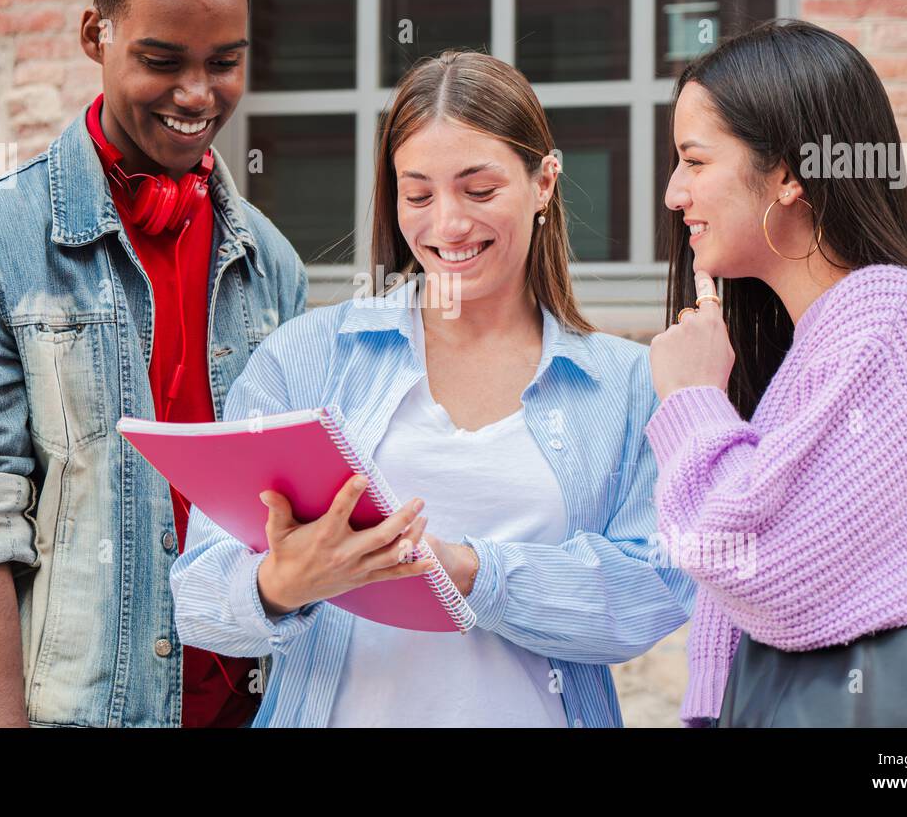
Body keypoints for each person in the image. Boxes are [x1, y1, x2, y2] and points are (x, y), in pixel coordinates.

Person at [169, 49, 695, 727]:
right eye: (417, 195)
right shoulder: (305, 359)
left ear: (544, 182)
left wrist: (472, 571)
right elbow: (198, 599)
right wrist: (282, 583)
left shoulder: (622, 384)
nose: (446, 224)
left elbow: (650, 592)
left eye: (479, 191)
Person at [0, 0, 307, 727]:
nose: (197, 93)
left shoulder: (272, 263)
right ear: (94, 36)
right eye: (160, 59)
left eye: (225, 61)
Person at [646, 18, 907, 726]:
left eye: (695, 160)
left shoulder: (884, 317)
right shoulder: (822, 335)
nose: (673, 194)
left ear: (784, 175)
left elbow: (752, 557)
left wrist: (691, 398)